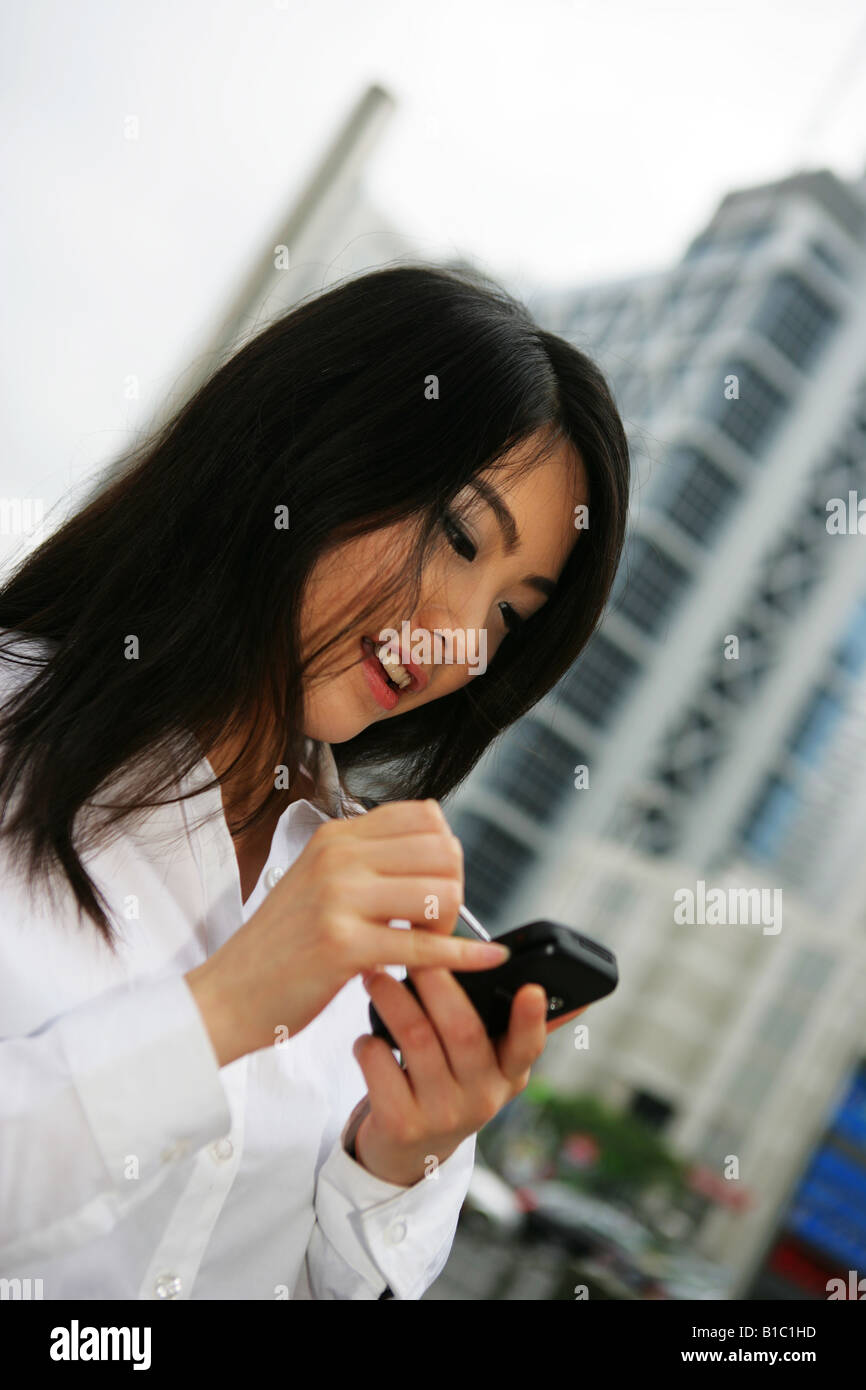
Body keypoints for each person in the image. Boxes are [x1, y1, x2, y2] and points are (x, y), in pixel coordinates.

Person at [0, 262, 630, 1300]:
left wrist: (398, 1159)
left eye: (510, 614)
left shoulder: (396, 929)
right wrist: (224, 1009)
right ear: (310, 446)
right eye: (458, 535)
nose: (461, 640)